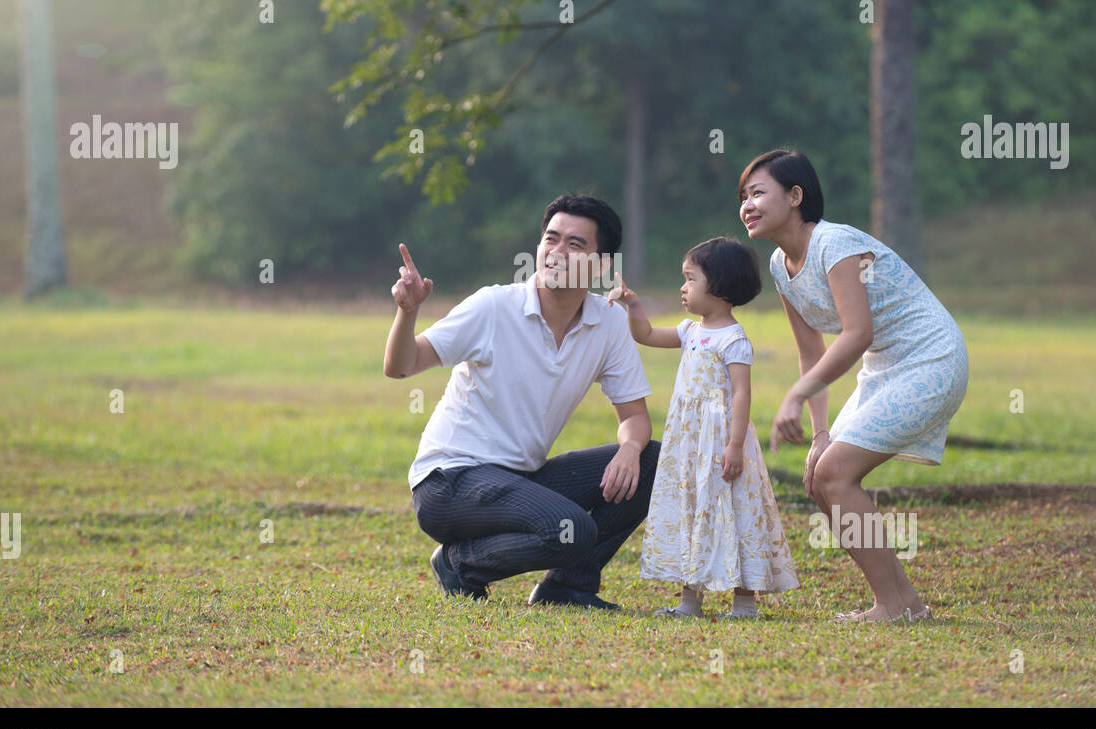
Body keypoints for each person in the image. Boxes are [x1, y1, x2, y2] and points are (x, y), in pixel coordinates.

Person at [383, 193, 660, 610]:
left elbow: (635, 415)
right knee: (571, 528)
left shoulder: (609, 323)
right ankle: (460, 564)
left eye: (574, 244)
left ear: (602, 266)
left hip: (520, 478)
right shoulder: (495, 306)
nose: (556, 252)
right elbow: (401, 366)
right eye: (551, 239)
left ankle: (567, 587)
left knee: (653, 460)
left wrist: (630, 448)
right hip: (450, 480)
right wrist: (407, 312)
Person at [740, 148, 970, 624]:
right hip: (884, 369)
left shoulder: (836, 243)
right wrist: (819, 432)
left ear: (796, 195)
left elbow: (857, 332)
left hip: (931, 359)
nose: (747, 205)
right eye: (744, 196)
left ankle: (892, 606)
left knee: (835, 474)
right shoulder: (782, 267)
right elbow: (812, 353)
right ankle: (905, 604)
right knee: (818, 475)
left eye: (758, 192)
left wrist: (796, 394)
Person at [608, 238, 798, 619]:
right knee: (693, 509)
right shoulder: (689, 332)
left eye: (690, 279)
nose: (683, 287)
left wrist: (734, 445)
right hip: (690, 443)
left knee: (735, 509)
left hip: (723, 440)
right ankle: (689, 600)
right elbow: (643, 334)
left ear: (718, 284)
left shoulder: (734, 339)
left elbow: (742, 393)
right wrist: (633, 306)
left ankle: (745, 603)